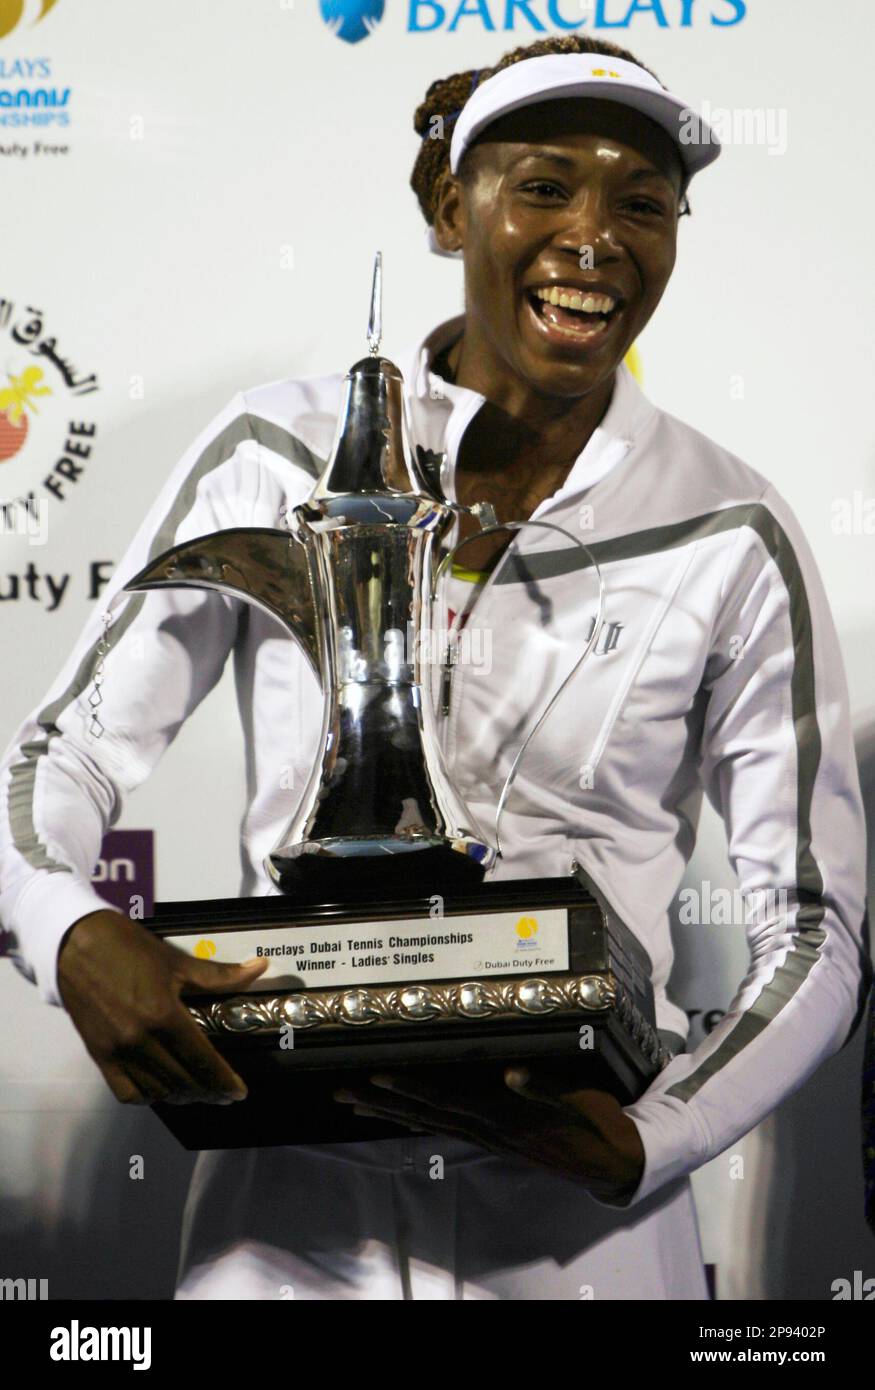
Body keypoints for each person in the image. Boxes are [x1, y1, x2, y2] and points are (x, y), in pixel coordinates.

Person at [0, 34, 869, 1301]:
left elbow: (812, 924)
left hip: (582, 1239)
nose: (593, 237)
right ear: (445, 206)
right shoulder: (278, 456)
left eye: (641, 203)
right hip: (284, 1223)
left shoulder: (728, 527)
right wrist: (72, 931)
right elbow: (58, 759)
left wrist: (651, 1134)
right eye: (541, 187)